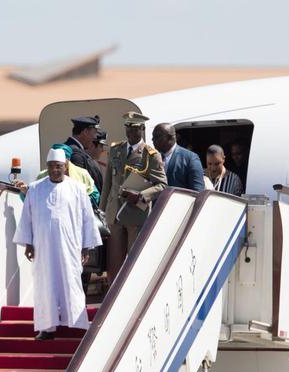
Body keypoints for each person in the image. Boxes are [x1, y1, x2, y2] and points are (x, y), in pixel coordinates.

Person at [13, 148, 102, 340]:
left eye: (59, 167)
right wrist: (28, 244)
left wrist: (86, 246)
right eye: (52, 167)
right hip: (43, 248)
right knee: (45, 285)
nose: (55, 170)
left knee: (72, 282)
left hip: (70, 247)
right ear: (47, 167)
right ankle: (46, 328)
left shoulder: (77, 189)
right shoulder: (35, 189)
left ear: (65, 166)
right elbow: (27, 219)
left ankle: (78, 325)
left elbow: (87, 219)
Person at [99, 111, 167, 283]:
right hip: (115, 214)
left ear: (142, 129)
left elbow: (162, 184)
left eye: (135, 128)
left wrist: (141, 196)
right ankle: (112, 295)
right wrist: (101, 211)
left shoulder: (150, 155)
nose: (130, 132)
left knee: (134, 261)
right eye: (128, 127)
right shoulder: (116, 149)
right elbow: (108, 183)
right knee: (114, 262)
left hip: (136, 214)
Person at [15, 143, 100, 206]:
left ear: (67, 163)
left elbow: (95, 196)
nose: (54, 169)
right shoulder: (42, 176)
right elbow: (32, 202)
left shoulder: (82, 174)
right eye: (51, 165)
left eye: (59, 165)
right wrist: (26, 192)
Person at [151, 123, 204, 191]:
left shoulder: (190, 159)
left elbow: (197, 191)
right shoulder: (153, 158)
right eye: (153, 136)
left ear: (170, 138)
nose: (153, 139)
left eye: (157, 136)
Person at [65, 116, 104, 192]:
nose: (95, 137)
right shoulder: (76, 154)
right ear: (86, 132)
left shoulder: (73, 149)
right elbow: (79, 187)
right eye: (94, 133)